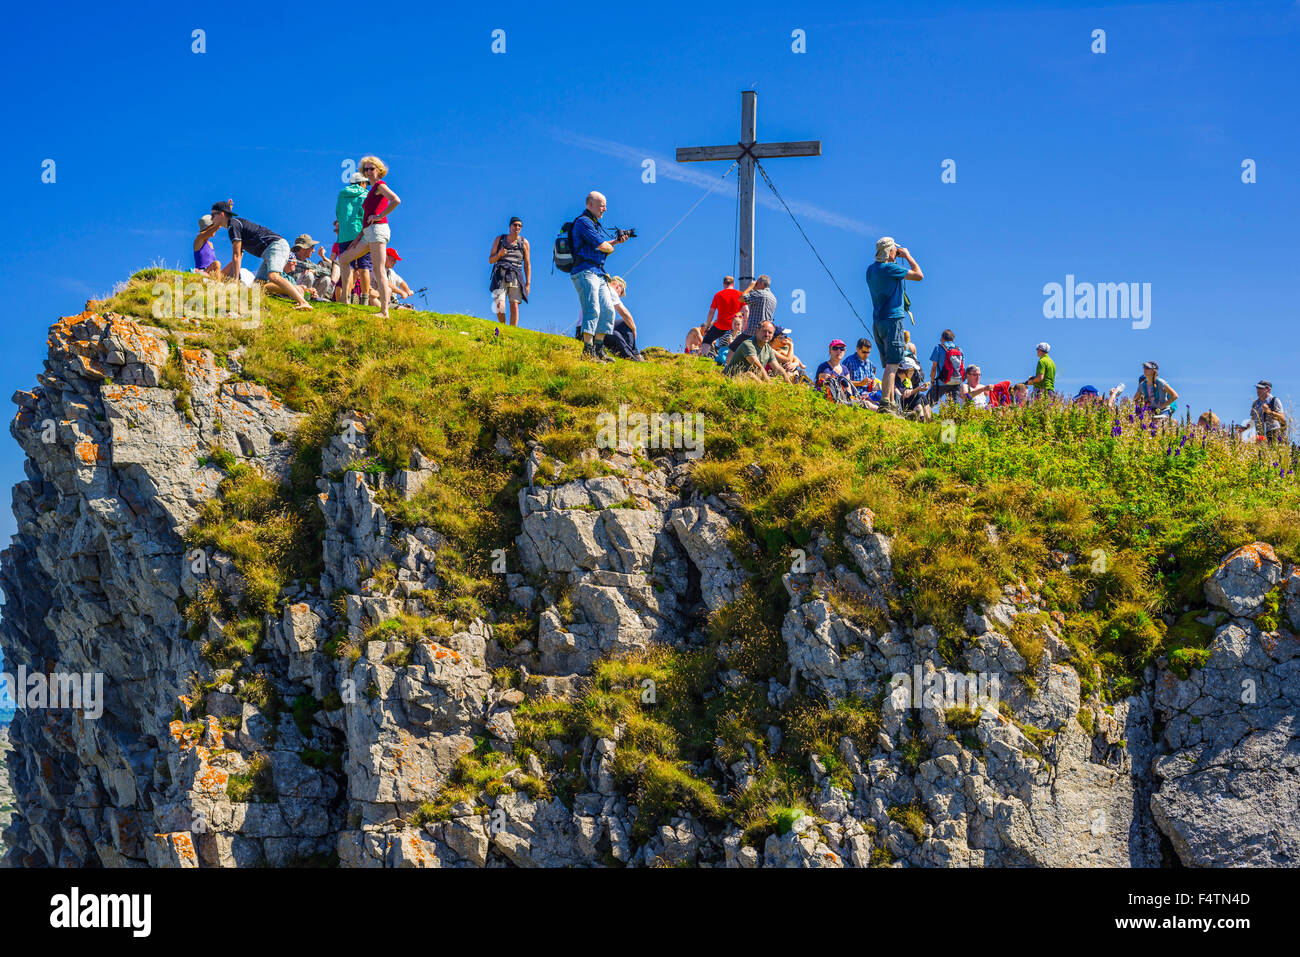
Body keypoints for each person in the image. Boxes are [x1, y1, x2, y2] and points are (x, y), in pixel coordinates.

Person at [209, 201, 311, 310]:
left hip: (276, 246)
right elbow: (239, 255)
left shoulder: (234, 225)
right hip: (269, 251)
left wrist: (234, 283)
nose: (211, 218)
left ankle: (303, 302)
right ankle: (296, 289)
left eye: (213, 215)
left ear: (222, 214)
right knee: (257, 287)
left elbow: (236, 255)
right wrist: (235, 280)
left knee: (273, 276)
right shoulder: (234, 226)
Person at [338, 155, 401, 318]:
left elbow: (396, 200)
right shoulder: (371, 189)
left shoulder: (380, 185)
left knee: (379, 270)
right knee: (343, 259)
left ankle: (384, 312)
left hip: (378, 230)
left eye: (371, 168)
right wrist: (359, 236)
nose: (368, 171)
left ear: (379, 170)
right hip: (368, 232)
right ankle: (344, 299)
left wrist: (380, 216)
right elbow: (367, 215)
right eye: (365, 169)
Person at [865, 236, 923, 415]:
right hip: (893, 319)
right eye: (894, 251)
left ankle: (891, 403)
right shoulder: (890, 268)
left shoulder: (871, 270)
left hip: (878, 320)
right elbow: (919, 275)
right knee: (893, 363)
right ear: (890, 251)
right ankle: (885, 404)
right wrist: (908, 256)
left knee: (889, 365)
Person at [571, 191, 631, 362]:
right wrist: (610, 246)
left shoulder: (594, 223)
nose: (604, 208)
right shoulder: (584, 222)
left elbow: (602, 247)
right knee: (593, 308)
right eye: (601, 204)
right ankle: (588, 351)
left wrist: (615, 242)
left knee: (607, 310)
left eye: (605, 205)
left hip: (599, 272)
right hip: (585, 270)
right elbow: (602, 246)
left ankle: (599, 348)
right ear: (589, 204)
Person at [333, 171, 372, 304]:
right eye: (366, 184)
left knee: (346, 265)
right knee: (364, 267)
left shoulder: (341, 194)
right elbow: (367, 213)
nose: (366, 186)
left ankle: (346, 296)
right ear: (362, 183)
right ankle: (365, 299)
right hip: (361, 233)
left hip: (344, 234)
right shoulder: (366, 195)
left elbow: (338, 213)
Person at [489, 217, 530, 326]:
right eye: (515, 225)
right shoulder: (500, 239)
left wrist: (528, 283)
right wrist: (499, 254)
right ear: (509, 226)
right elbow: (490, 260)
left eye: (519, 226)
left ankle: (512, 331)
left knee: (514, 305)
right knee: (499, 305)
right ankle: (503, 327)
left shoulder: (524, 243)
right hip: (500, 275)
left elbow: (527, 264)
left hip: (516, 275)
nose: (517, 227)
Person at [723, 320, 794, 382]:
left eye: (770, 332)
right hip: (731, 377)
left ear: (772, 335)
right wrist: (769, 384)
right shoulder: (748, 344)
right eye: (764, 331)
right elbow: (758, 367)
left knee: (755, 376)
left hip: (751, 378)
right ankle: (767, 391)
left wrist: (789, 384)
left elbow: (777, 367)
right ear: (757, 331)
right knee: (750, 375)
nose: (767, 334)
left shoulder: (768, 348)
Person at [602, 276, 643, 361]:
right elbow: (625, 313)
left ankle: (634, 352)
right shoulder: (611, 290)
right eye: (621, 293)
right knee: (619, 331)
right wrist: (634, 329)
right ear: (618, 286)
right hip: (598, 331)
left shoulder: (603, 288)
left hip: (598, 327)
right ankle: (631, 356)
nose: (619, 296)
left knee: (625, 323)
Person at [703, 276, 746, 355]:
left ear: (724, 284)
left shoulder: (718, 295)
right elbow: (746, 310)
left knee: (707, 339)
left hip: (721, 325)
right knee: (738, 342)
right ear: (733, 284)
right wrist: (745, 324)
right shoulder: (740, 294)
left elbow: (711, 312)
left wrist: (707, 326)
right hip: (735, 325)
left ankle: (704, 357)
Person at [732, 274, 777, 348]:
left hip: (753, 330)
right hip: (765, 331)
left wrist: (750, 287)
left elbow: (741, 299)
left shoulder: (760, 293)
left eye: (756, 284)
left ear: (761, 284)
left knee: (733, 347)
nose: (755, 286)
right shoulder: (773, 297)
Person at [285, 234, 333, 299]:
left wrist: (315, 271)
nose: (313, 251)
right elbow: (299, 264)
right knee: (309, 275)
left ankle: (315, 300)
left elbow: (328, 272)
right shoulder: (290, 260)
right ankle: (302, 299)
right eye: (312, 248)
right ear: (303, 249)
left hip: (307, 291)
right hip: (292, 291)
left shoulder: (309, 263)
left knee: (326, 279)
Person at [928, 328, 965, 406]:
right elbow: (962, 366)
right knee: (954, 406)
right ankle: (955, 418)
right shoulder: (959, 350)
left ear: (942, 338)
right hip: (956, 382)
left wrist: (932, 382)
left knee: (926, 402)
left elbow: (934, 368)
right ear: (953, 339)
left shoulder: (938, 348)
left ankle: (924, 417)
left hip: (942, 382)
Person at [1246, 380, 1287, 444]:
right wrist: (1244, 428)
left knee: (1272, 452)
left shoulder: (1274, 400)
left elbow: (1282, 418)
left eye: (1261, 388)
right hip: (1259, 433)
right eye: (1257, 388)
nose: (1258, 390)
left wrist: (1269, 411)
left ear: (1269, 389)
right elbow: (1253, 420)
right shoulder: (1255, 403)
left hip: (1273, 433)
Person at [897, 357, 932, 421]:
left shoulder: (907, 380)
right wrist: (917, 389)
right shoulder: (894, 380)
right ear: (906, 370)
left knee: (921, 396)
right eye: (912, 370)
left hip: (907, 403)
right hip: (899, 406)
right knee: (918, 397)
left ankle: (928, 419)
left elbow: (910, 393)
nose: (913, 372)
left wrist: (918, 389)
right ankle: (922, 419)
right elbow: (900, 397)